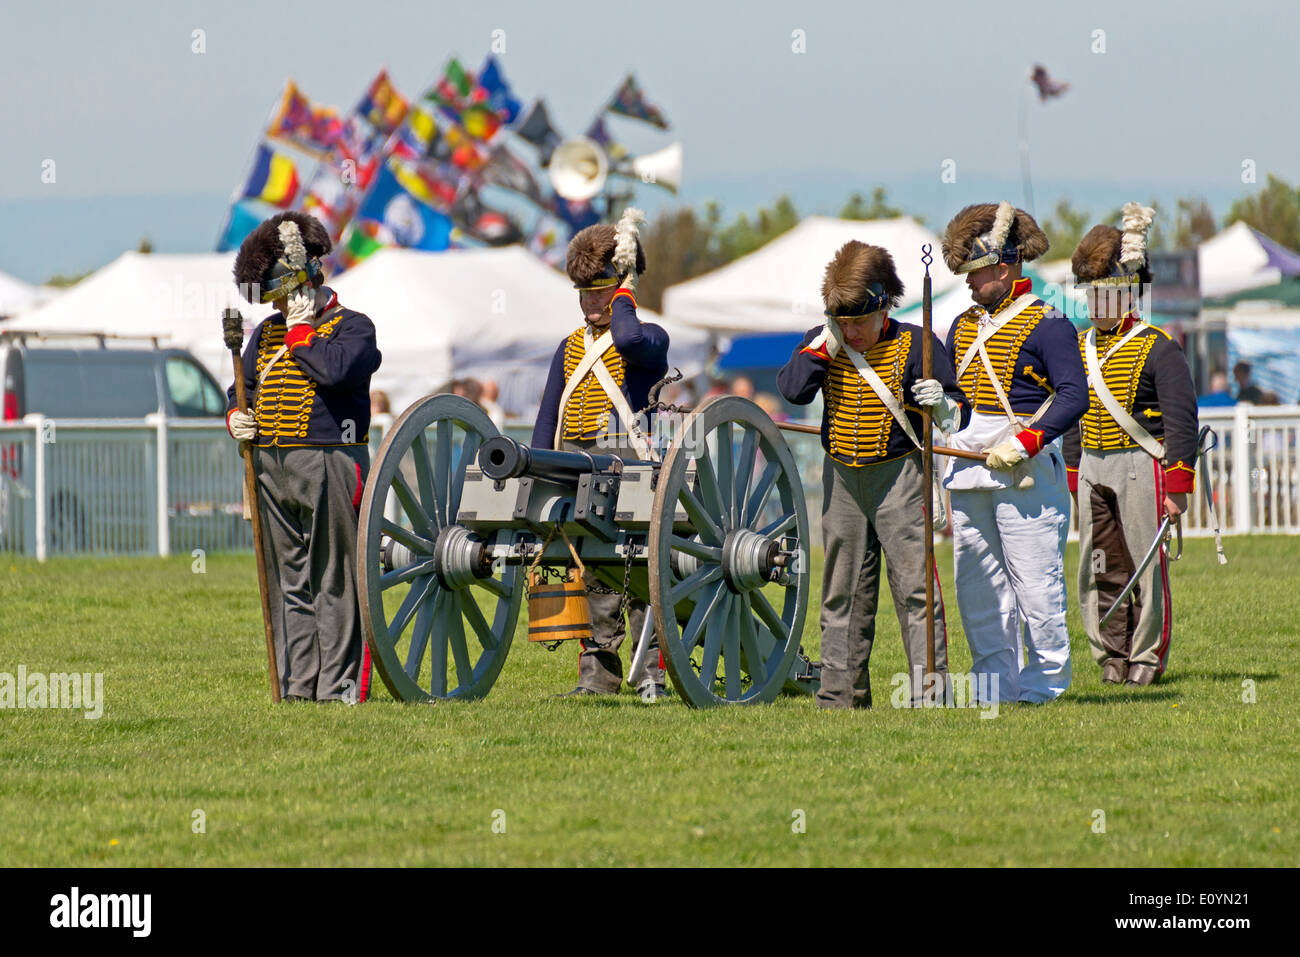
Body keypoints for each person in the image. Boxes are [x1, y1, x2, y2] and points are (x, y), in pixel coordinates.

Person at [777, 241, 968, 709]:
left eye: (859, 320)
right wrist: (822, 347)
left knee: (916, 590)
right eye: (842, 321)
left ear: (884, 308)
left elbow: (957, 415)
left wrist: (942, 402)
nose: (852, 331)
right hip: (841, 478)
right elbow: (792, 389)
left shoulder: (917, 344)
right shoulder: (824, 341)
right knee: (841, 593)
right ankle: (839, 694)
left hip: (900, 477)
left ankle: (930, 694)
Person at [226, 211, 382, 702]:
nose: (278, 305)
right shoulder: (266, 333)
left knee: (334, 576)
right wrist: (235, 415)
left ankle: (339, 685)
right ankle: (298, 683)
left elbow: (334, 372)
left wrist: (300, 335)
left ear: (311, 277)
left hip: (330, 460)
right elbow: (241, 386)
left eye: (283, 294)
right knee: (287, 579)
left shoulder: (353, 326)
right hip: (271, 464)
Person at [940, 202, 1089, 703]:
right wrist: (941, 405)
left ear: (1003, 268)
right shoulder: (962, 327)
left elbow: (1073, 396)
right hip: (968, 469)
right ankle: (993, 689)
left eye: (974, 273)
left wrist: (1026, 440)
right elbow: (960, 403)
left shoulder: (1049, 324)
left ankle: (1044, 687)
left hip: (1025, 470)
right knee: (978, 591)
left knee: (1036, 589)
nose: (967, 283)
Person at [532, 210, 671, 701]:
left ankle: (650, 669)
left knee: (636, 565)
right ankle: (597, 673)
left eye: (600, 291)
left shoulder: (649, 338)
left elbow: (629, 337)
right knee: (591, 567)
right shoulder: (568, 347)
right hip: (575, 461)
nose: (590, 302)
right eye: (585, 293)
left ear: (622, 287)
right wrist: (536, 469)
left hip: (627, 458)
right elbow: (549, 416)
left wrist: (627, 293)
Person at [1062, 204, 1198, 686]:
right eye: (1090, 294)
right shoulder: (1077, 348)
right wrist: (1075, 471)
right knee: (1100, 567)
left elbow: (1181, 420)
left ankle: (1146, 656)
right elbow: (1074, 416)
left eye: (1105, 293)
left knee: (1145, 567)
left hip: (1143, 463)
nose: (1096, 305)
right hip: (1093, 467)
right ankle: (1111, 656)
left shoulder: (1159, 346)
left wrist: (1178, 484)